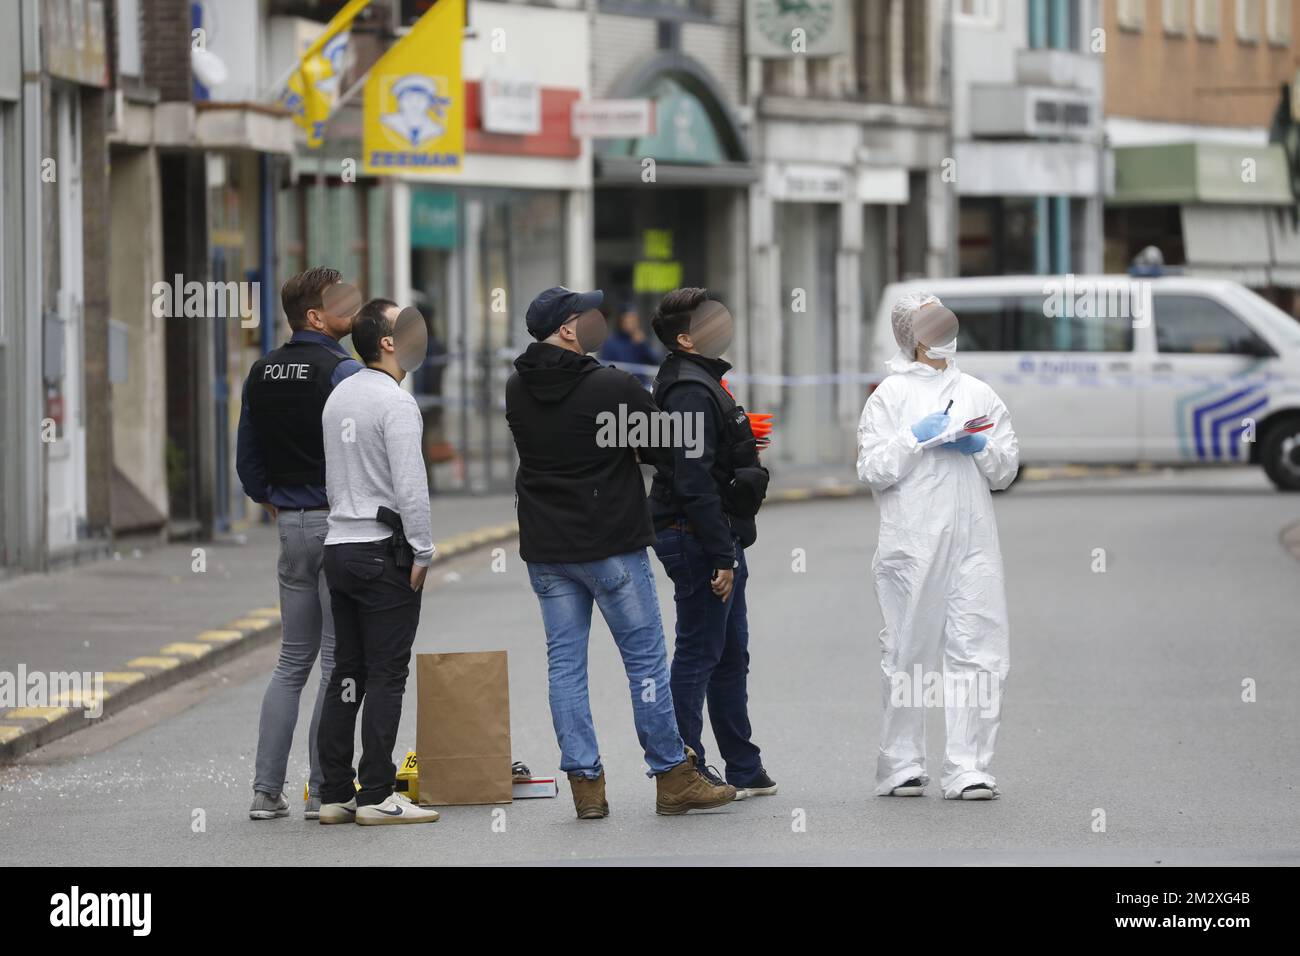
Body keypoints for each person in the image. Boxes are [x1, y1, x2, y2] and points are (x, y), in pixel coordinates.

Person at [504, 285, 736, 818]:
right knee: (646, 663)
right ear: (567, 328)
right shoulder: (612, 385)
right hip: (610, 543)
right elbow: (667, 451)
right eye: (588, 314)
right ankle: (672, 774)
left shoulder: (518, 386)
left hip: (546, 546)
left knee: (565, 665)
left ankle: (587, 785)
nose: (598, 320)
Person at [856, 292, 1018, 800]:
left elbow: (1006, 468)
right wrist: (914, 437)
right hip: (912, 544)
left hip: (973, 543)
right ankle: (900, 763)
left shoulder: (978, 393)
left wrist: (979, 445)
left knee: (978, 648)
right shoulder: (889, 396)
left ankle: (969, 766)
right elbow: (873, 468)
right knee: (909, 651)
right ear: (912, 335)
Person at [237, 266, 363, 821]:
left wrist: (282, 507)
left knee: (291, 661)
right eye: (343, 300)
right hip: (339, 527)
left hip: (290, 524)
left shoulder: (260, 372)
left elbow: (248, 466)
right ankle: (323, 789)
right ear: (316, 316)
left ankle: (266, 792)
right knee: (336, 662)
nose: (354, 306)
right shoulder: (344, 372)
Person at [647, 287, 777, 799]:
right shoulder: (689, 390)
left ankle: (743, 765)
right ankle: (683, 769)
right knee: (700, 651)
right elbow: (692, 480)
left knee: (729, 653)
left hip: (712, 532)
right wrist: (722, 555)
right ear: (684, 338)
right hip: (698, 535)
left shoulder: (702, 382)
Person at [316, 299, 439, 826]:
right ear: (387, 342)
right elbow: (411, 486)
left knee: (347, 673)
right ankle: (378, 796)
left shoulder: (338, 396)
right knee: (387, 675)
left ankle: (335, 794)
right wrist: (424, 550)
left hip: (339, 546)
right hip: (382, 549)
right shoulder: (396, 403)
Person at [599, 302, 658, 383]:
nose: (631, 323)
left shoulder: (640, 341)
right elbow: (604, 367)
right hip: (619, 386)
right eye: (628, 319)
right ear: (621, 321)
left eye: (634, 319)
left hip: (639, 386)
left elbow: (655, 362)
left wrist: (643, 344)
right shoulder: (611, 342)